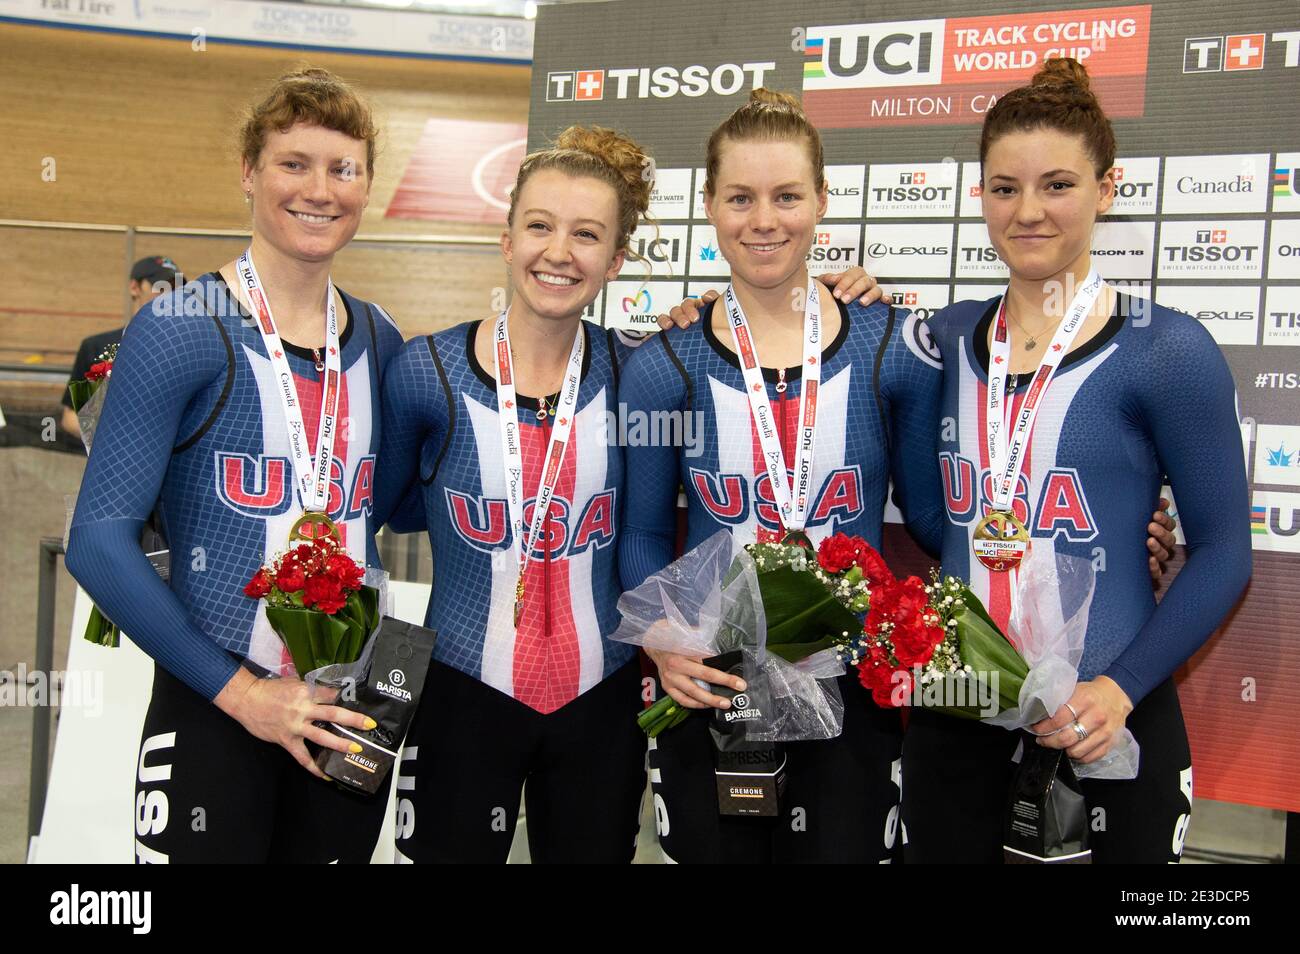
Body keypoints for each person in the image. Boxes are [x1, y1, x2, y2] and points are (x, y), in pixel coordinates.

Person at [373, 123, 876, 864]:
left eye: (586, 235)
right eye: (538, 227)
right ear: (506, 238)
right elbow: (386, 508)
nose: (557, 252)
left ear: (615, 260)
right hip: (460, 693)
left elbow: (737, 328)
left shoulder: (640, 368)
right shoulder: (425, 371)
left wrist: (835, 290)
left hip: (599, 703)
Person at [903, 58, 1251, 863]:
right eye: (1004, 188)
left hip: (1107, 717)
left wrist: (1120, 687)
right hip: (958, 715)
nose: (1028, 212)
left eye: (1057, 185)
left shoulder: (1165, 349)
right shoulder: (939, 341)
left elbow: (1225, 553)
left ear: (1107, 187)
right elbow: (934, 518)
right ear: (979, 194)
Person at [66, 68, 404, 863]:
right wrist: (246, 695)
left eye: (343, 169)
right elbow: (98, 541)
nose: (320, 190)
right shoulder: (180, 327)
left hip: (343, 711)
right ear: (249, 173)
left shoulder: (383, 339)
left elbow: (399, 509)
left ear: (366, 187)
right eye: (294, 163)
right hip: (216, 705)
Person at [618, 89, 949, 863]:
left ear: (823, 201)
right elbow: (637, 535)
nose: (763, 220)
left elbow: (937, 523)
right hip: (712, 688)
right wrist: (665, 644)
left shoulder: (890, 345)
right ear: (710, 206)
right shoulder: (666, 362)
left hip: (854, 690)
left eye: (786, 196)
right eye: (740, 197)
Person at [60, 255, 181, 439]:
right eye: (160, 286)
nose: (169, 293)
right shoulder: (100, 348)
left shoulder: (187, 350)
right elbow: (71, 418)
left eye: (176, 287)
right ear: (135, 287)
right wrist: (117, 444)